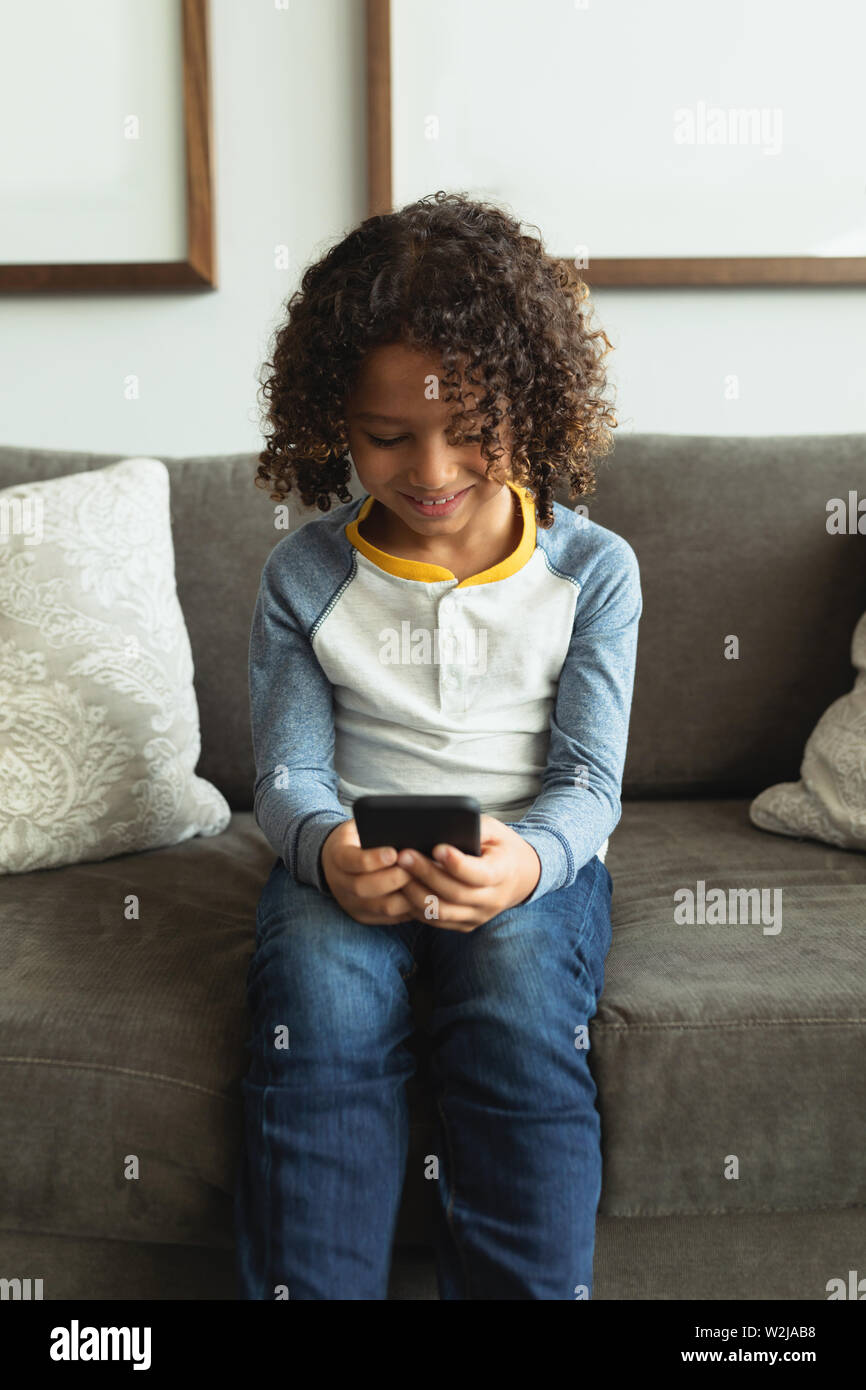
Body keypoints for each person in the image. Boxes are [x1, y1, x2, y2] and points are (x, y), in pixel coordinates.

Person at [234, 191, 642, 1300]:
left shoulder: (592, 571)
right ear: (332, 420)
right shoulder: (303, 577)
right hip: (349, 856)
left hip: (526, 864)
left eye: (472, 428)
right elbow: (284, 775)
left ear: (534, 402)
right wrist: (322, 851)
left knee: (514, 993)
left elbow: (589, 783)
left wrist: (525, 863)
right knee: (319, 996)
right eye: (386, 435)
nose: (431, 469)